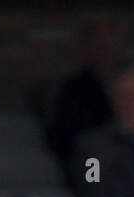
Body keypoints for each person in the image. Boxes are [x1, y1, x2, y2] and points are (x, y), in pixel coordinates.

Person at [70, 65, 134, 197]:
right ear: (114, 100)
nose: (132, 103)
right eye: (125, 96)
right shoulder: (92, 150)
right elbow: (91, 189)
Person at [45, 18, 124, 175]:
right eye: (101, 44)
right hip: (92, 161)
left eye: (112, 43)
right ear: (89, 48)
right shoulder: (73, 90)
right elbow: (64, 137)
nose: (107, 49)